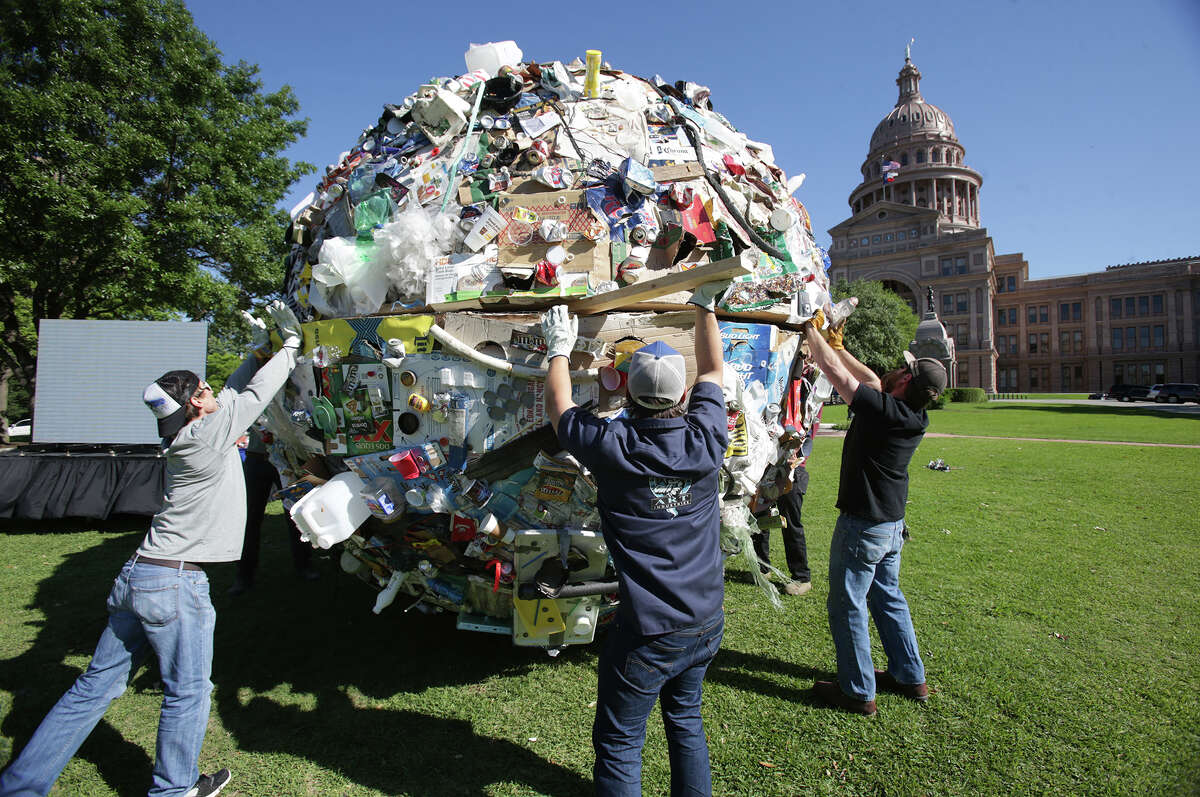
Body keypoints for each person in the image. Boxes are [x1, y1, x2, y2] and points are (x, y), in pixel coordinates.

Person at [0, 301, 303, 797]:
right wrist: (289, 348)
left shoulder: (190, 433)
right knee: (188, 691)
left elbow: (229, 389)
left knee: (93, 687)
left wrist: (256, 350)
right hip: (175, 585)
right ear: (192, 405)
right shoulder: (208, 434)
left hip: (140, 576)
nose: (211, 391)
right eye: (202, 389)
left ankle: (20, 786)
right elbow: (253, 394)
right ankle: (175, 788)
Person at [541, 281, 729, 797]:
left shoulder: (611, 443)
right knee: (685, 720)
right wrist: (705, 307)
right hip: (705, 619)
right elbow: (714, 369)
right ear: (683, 397)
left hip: (648, 631)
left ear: (625, 391)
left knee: (622, 741)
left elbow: (559, 407)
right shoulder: (708, 436)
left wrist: (558, 347)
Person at [801, 308, 946, 717]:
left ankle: (858, 691)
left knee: (848, 604)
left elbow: (840, 378)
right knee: (888, 599)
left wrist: (810, 333)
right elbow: (866, 378)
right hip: (891, 525)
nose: (899, 369)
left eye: (904, 369)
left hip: (864, 526)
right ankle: (908, 675)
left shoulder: (885, 412)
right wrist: (837, 346)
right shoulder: (911, 414)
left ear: (905, 381)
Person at [228, 425, 316, 596]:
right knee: (249, 518)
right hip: (257, 457)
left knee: (295, 514)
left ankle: (304, 565)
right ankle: (244, 574)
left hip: (286, 458)